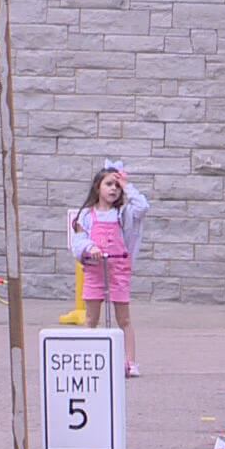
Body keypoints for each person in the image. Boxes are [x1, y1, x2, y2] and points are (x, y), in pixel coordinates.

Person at [67, 162, 149, 377]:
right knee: (91, 318)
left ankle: (130, 361)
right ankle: (86, 357)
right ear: (98, 187)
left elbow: (143, 207)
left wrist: (127, 185)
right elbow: (78, 240)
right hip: (95, 271)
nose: (114, 189)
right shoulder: (86, 215)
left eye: (117, 185)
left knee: (124, 319)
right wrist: (89, 247)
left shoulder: (123, 213)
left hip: (118, 270)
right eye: (109, 184)